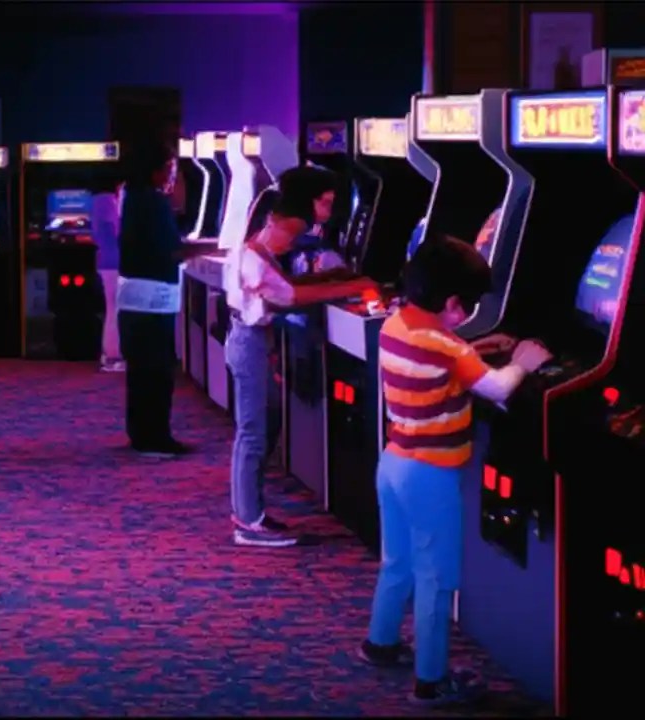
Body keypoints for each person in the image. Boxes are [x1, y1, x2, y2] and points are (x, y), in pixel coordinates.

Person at [360, 236, 550, 706]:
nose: (468, 315)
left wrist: (477, 344)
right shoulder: (449, 349)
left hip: (394, 462)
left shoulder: (396, 324)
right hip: (430, 475)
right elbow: (499, 388)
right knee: (436, 578)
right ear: (451, 304)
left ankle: (380, 643)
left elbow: (439, 352)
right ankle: (431, 679)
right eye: (467, 307)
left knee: (397, 561)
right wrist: (524, 362)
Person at [224, 165, 377, 547]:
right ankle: (248, 522)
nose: (328, 213)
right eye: (323, 204)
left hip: (252, 341)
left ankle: (250, 514)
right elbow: (290, 296)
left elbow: (291, 285)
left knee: (261, 426)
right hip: (250, 343)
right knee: (253, 434)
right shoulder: (257, 258)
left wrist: (333, 280)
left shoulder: (260, 248)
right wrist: (354, 284)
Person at [117, 142, 213, 457]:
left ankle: (141, 434)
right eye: (170, 167)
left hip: (132, 297)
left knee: (140, 370)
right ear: (155, 170)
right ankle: (155, 438)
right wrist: (214, 249)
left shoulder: (132, 197)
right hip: (152, 299)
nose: (173, 174)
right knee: (157, 371)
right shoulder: (154, 203)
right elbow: (170, 251)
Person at [91, 179, 125, 372]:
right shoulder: (106, 201)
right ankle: (112, 356)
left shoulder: (99, 201)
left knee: (113, 310)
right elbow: (119, 231)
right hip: (113, 261)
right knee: (114, 310)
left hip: (107, 259)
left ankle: (111, 355)